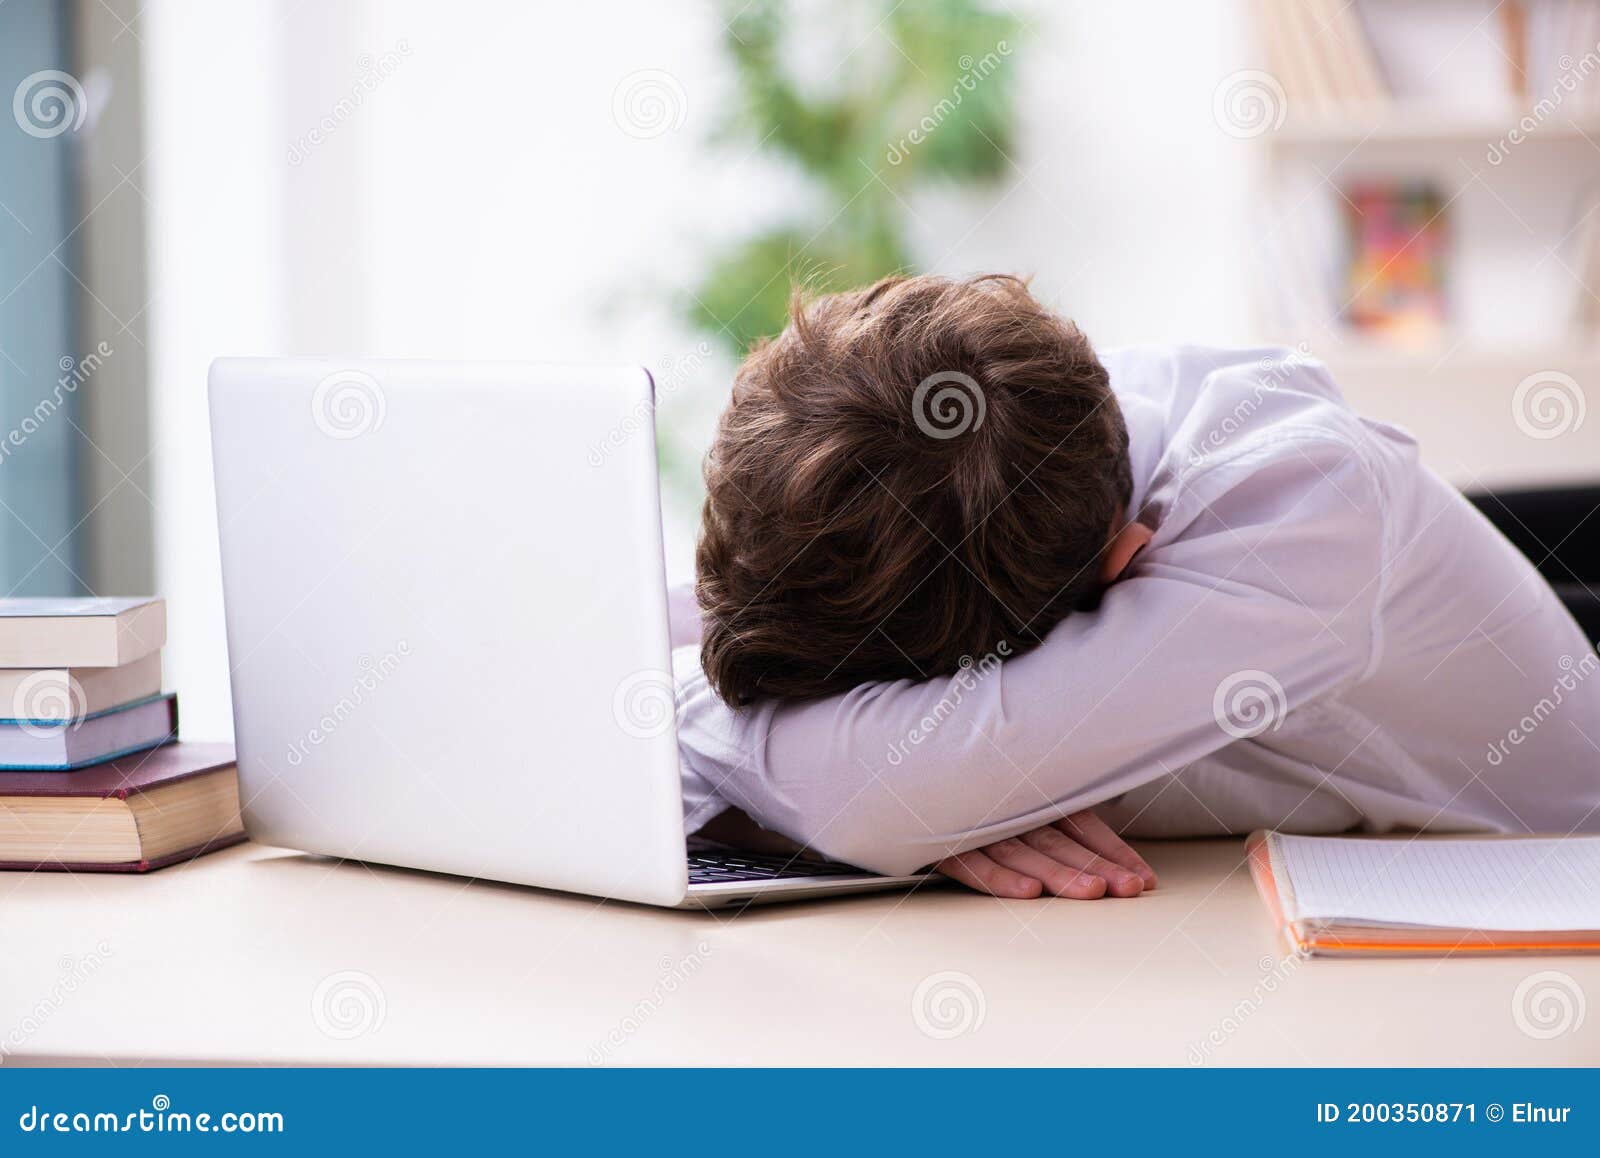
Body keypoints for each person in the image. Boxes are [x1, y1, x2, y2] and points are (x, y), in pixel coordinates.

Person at [668, 273, 1600, 899]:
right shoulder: (1023, 430)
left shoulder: (1302, 524)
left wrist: (929, 789)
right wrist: (933, 777)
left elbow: (858, 800)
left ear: (1122, 565)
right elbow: (694, 650)